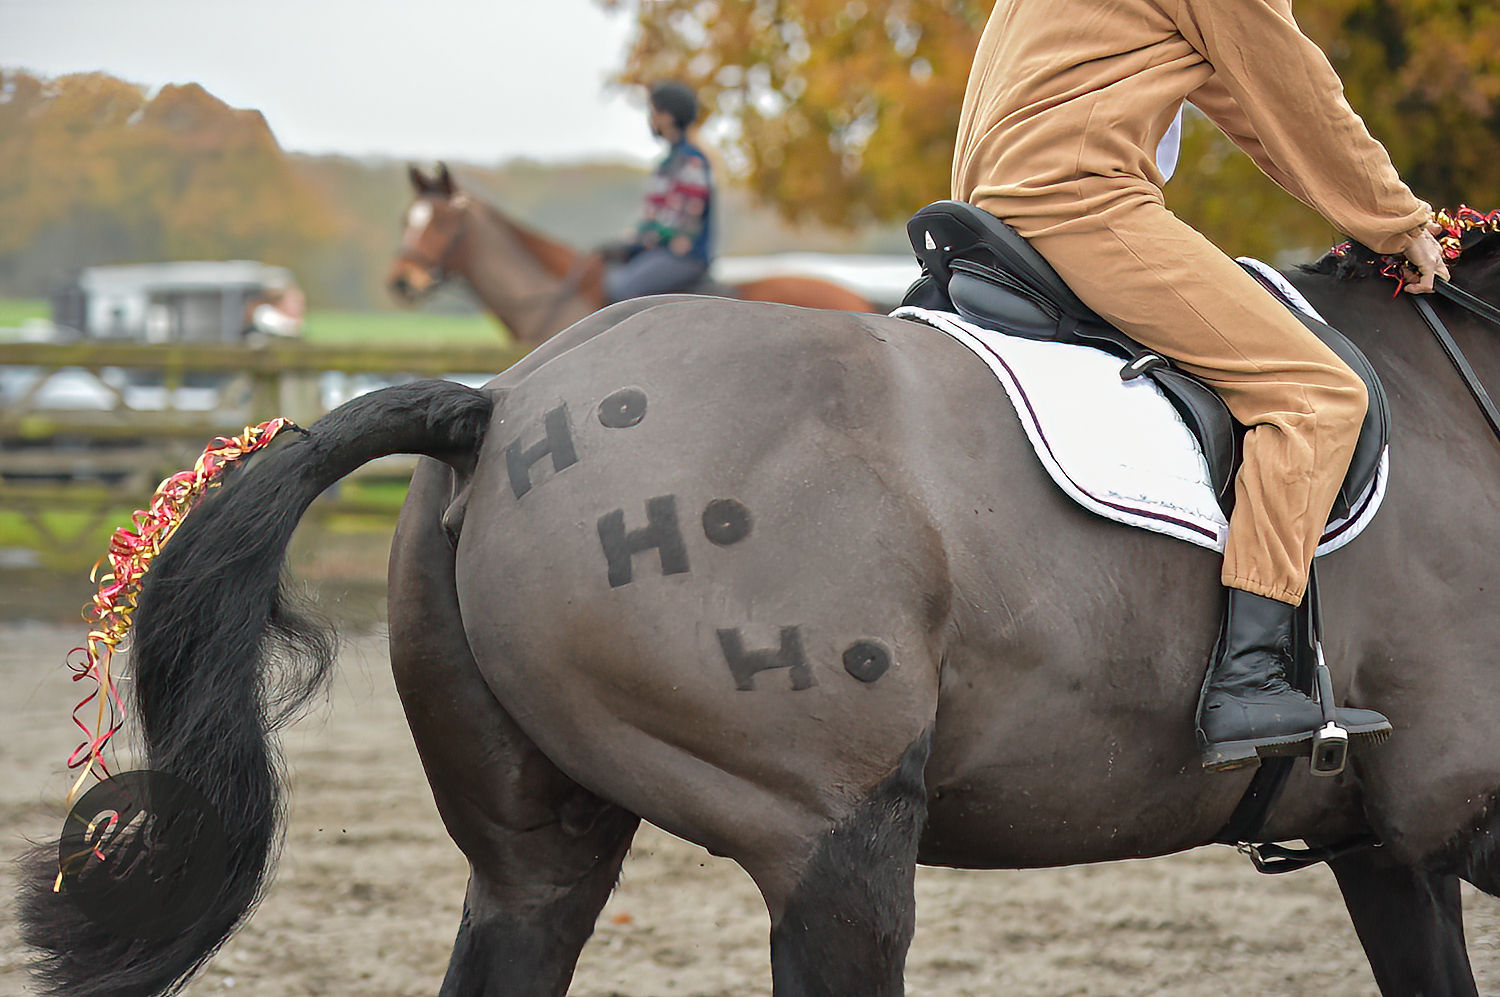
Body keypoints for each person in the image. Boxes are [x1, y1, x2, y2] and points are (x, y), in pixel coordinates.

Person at [950, 0, 1449, 770]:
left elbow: (1250, 97)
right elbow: (1289, 83)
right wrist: (1394, 217)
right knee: (1318, 394)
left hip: (991, 204)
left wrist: (1355, 211)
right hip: (1078, 199)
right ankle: (1249, 680)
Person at [600, 81, 715, 303]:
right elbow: (651, 219)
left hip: (683, 258)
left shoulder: (691, 162)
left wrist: (635, 245)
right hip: (658, 253)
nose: (650, 118)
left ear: (668, 116)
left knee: (619, 287)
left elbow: (680, 227)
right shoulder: (667, 164)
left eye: (654, 112)